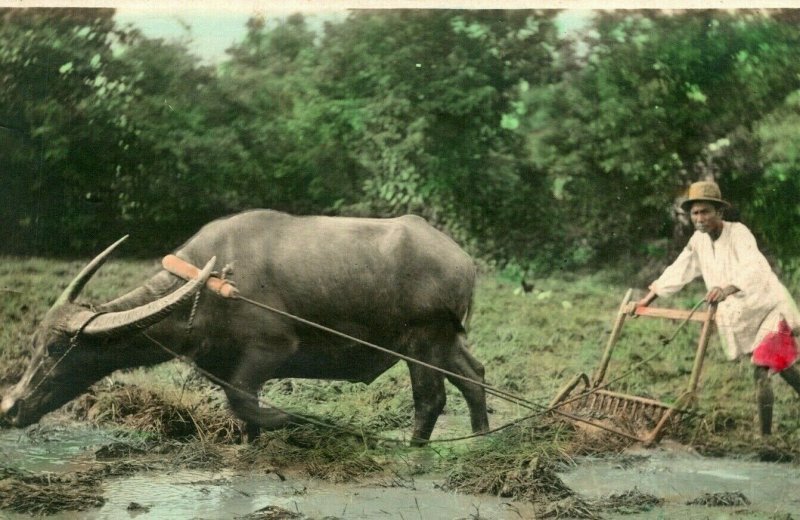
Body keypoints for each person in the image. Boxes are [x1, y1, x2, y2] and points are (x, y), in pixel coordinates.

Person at [636, 180, 800, 436]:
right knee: (780, 366)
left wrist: (726, 289)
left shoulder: (739, 233)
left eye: (705, 211)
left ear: (719, 213)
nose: (700, 218)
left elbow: (754, 267)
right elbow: (679, 270)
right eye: (695, 213)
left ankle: (765, 439)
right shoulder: (698, 241)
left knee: (760, 368)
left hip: (768, 305)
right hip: (742, 315)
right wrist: (647, 300)